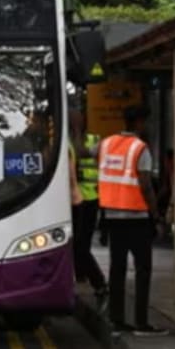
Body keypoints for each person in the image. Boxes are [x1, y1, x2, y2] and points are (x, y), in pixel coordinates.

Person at [98, 104, 167, 337]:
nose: (145, 126)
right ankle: (141, 322)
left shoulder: (106, 144)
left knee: (117, 270)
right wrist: (156, 215)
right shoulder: (140, 148)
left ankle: (116, 320)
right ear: (138, 123)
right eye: (144, 122)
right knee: (142, 269)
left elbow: (87, 153)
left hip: (112, 216)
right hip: (137, 217)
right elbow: (146, 185)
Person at [69, 110, 108, 305]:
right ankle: (83, 277)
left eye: (78, 118)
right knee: (77, 245)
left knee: (81, 246)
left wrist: (76, 132)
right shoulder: (64, 141)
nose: (77, 120)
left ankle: (99, 282)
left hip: (90, 198)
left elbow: (83, 152)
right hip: (74, 200)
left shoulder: (93, 140)